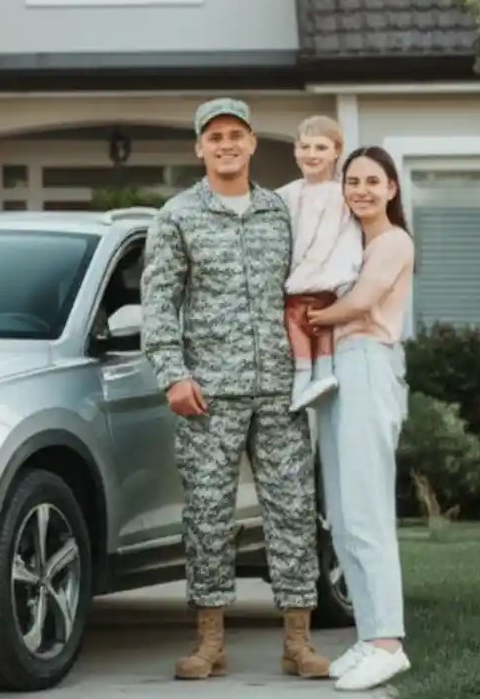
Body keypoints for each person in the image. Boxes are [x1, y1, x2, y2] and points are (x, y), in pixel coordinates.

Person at [141, 97, 330, 681]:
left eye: (236, 135)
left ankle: (298, 643)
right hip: (208, 395)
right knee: (206, 515)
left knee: (293, 510)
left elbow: (309, 281)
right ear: (200, 148)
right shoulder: (176, 216)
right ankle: (210, 641)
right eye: (214, 136)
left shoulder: (280, 212)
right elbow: (158, 301)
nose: (226, 144)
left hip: (278, 389)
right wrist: (172, 374)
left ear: (252, 144)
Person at [306, 145, 415, 692]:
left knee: (368, 511)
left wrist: (311, 314)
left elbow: (363, 301)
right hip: (337, 369)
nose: (362, 190)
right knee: (343, 516)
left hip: (368, 365)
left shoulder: (393, 242)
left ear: (392, 189)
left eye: (374, 180)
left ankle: (389, 642)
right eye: (353, 181)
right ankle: (369, 635)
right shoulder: (351, 243)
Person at [276, 116, 364, 413]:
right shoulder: (285, 195)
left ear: (336, 151)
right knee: (296, 324)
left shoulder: (342, 196)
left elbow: (343, 241)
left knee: (320, 326)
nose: (312, 154)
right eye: (305, 146)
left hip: (322, 283)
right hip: (293, 285)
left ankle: (323, 373)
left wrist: (339, 279)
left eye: (321, 147)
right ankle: (304, 377)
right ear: (295, 150)